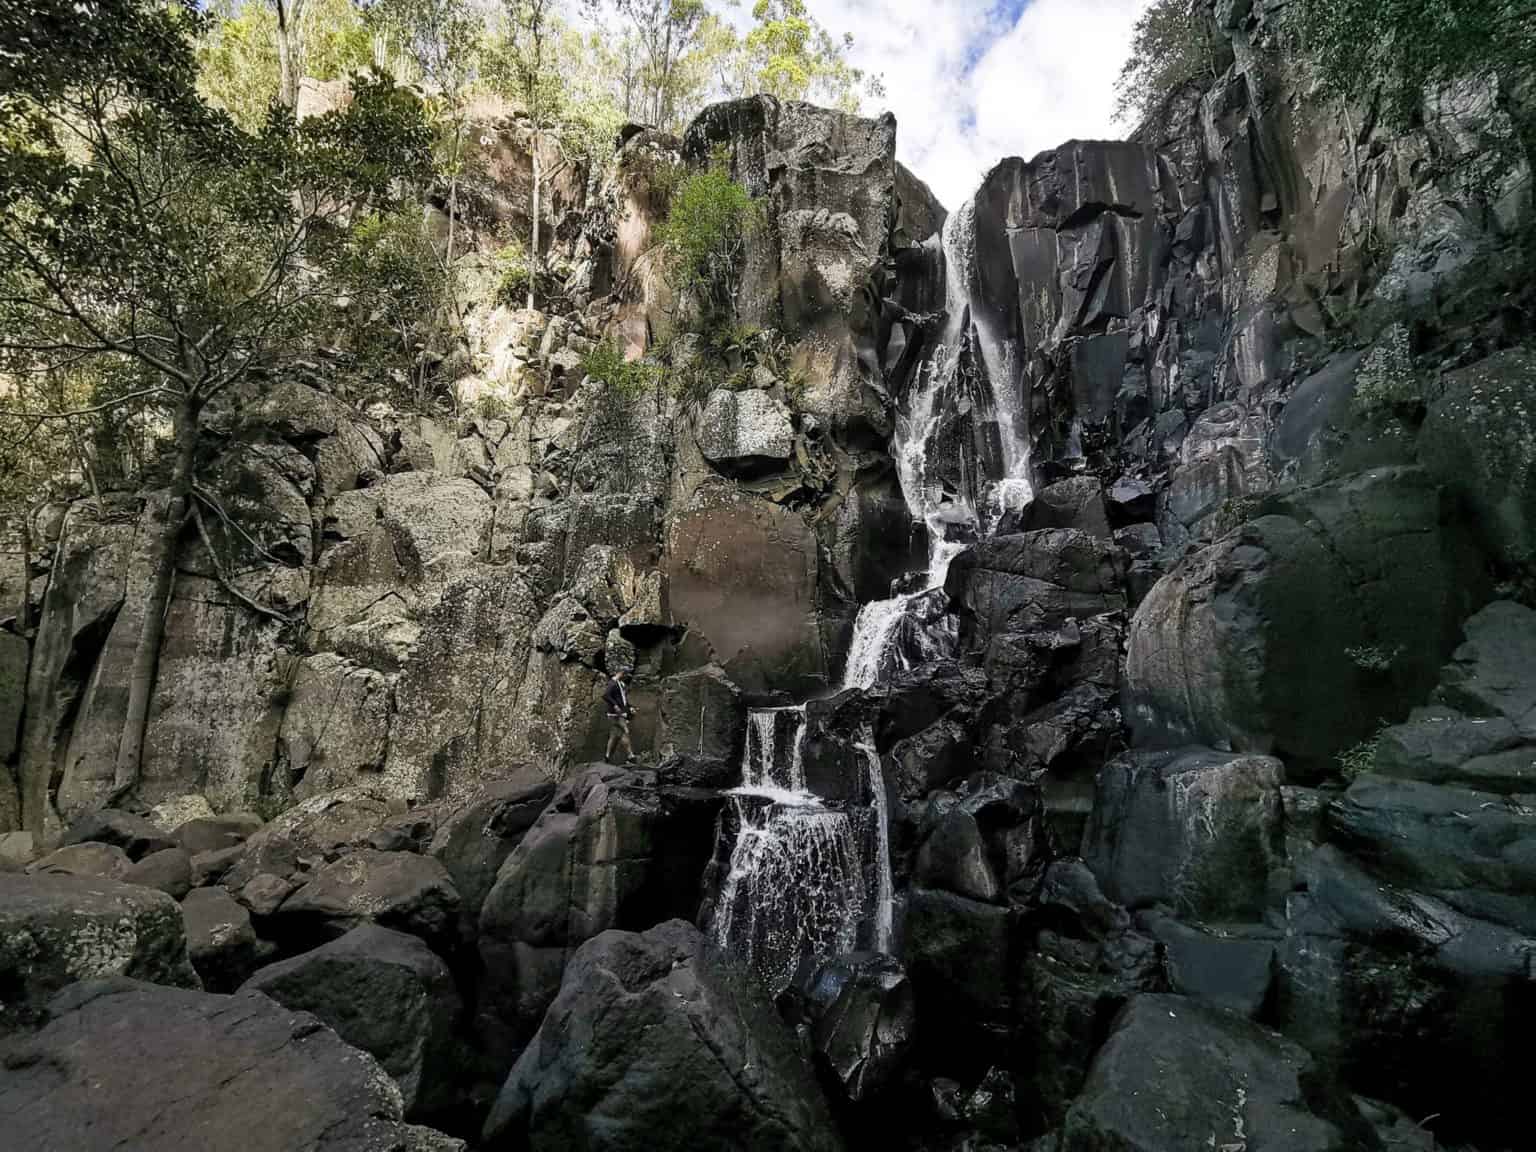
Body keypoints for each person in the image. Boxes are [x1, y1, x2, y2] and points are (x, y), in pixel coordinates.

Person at [603, 669, 635, 764]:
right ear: (620, 673)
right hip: (616, 714)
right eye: (625, 674)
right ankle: (630, 756)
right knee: (625, 731)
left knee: (614, 735)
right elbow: (606, 695)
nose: (625, 677)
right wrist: (615, 705)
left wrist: (630, 707)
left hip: (618, 713)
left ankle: (607, 757)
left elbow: (622, 699)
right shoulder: (612, 683)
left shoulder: (619, 684)